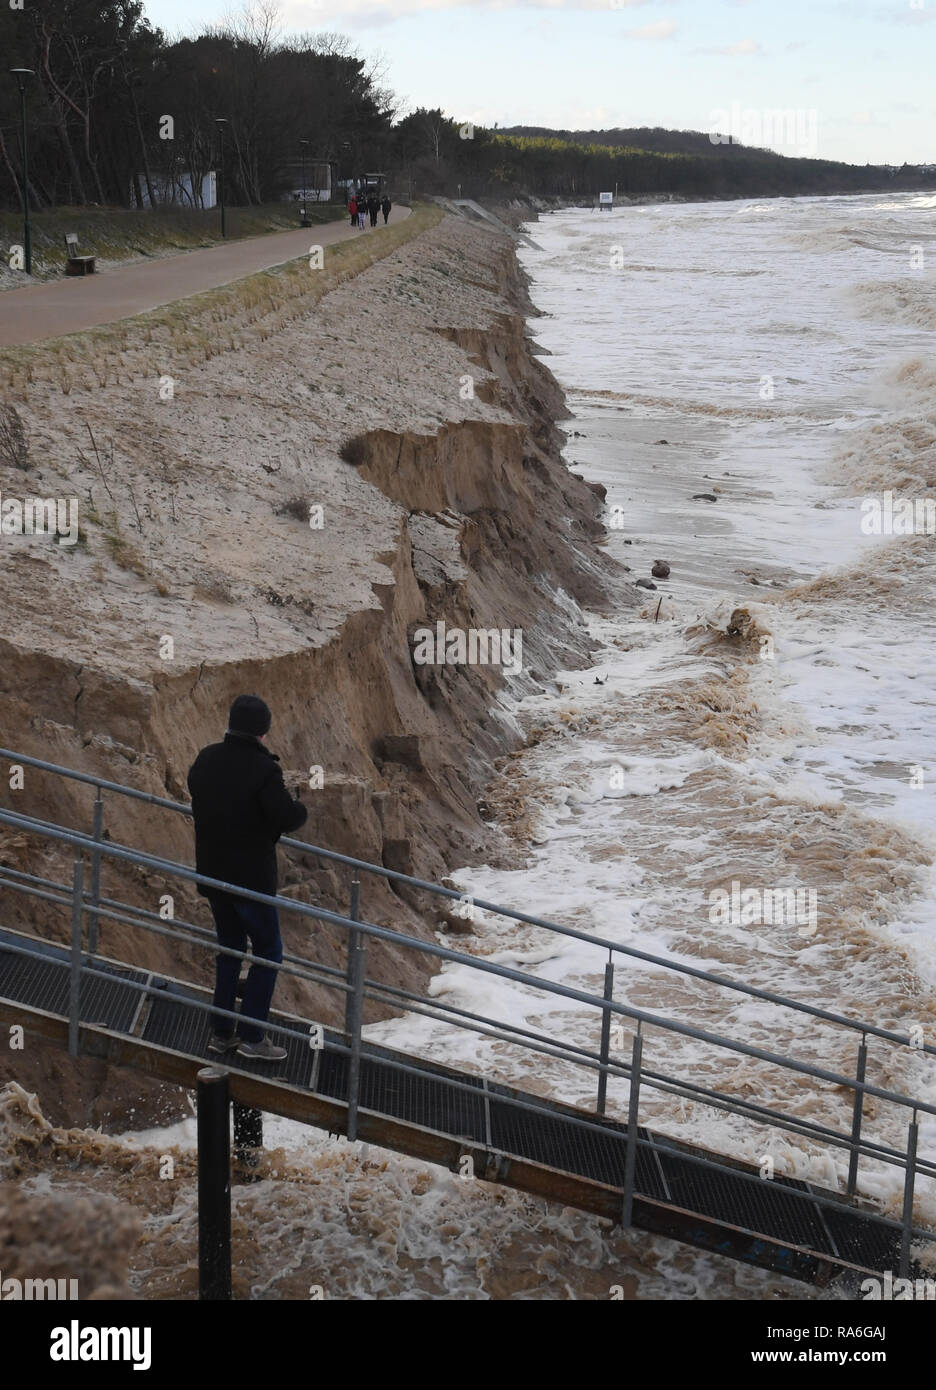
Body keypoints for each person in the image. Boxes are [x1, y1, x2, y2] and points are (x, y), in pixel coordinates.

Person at [187, 695, 308, 1063]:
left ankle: (221, 1034)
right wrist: (299, 805)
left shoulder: (206, 758)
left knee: (229, 950)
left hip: (213, 874)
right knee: (268, 954)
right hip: (251, 881)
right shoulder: (263, 769)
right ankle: (253, 1036)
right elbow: (287, 816)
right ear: (263, 732)